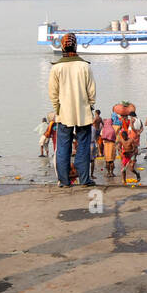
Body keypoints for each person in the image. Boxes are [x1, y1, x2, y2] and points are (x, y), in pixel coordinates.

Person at [48, 33, 97, 188]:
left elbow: (53, 94)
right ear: (75, 46)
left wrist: (58, 109)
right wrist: (90, 106)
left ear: (62, 47)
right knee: (83, 146)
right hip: (83, 112)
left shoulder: (56, 68)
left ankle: (64, 181)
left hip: (64, 114)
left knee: (63, 147)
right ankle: (84, 179)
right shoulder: (85, 66)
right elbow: (92, 92)